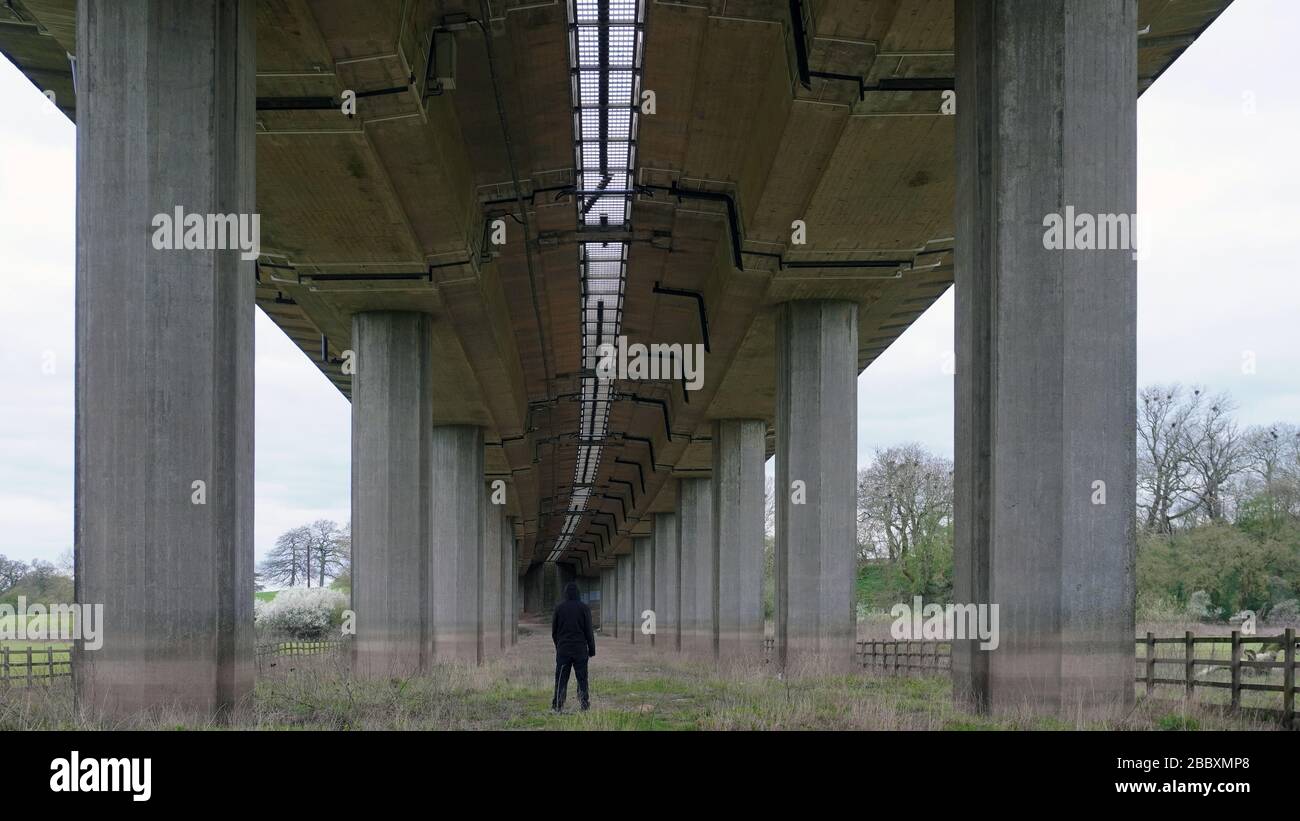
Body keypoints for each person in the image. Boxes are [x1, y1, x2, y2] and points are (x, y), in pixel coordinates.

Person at [551, 581, 596, 712]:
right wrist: (591, 650)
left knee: (561, 678)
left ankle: (558, 705)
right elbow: (589, 631)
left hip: (563, 649)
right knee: (582, 678)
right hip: (580, 650)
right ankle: (584, 705)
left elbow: (554, 632)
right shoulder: (584, 608)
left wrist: (558, 646)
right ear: (578, 594)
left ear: (565, 594)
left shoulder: (559, 608)